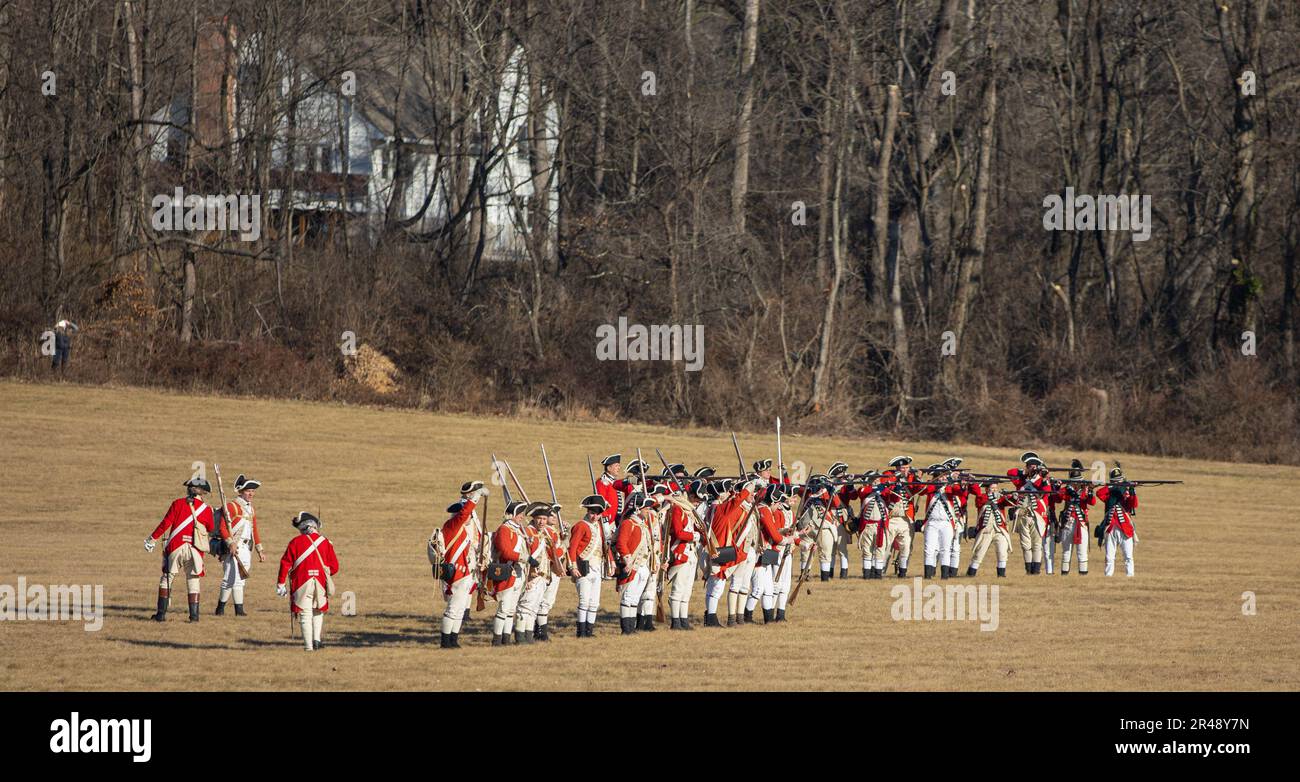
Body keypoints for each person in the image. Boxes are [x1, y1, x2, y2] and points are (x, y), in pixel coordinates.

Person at [145, 476, 218, 622]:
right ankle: (194, 617)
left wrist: (152, 539)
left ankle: (160, 615)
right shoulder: (207, 509)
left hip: (176, 546)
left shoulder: (177, 503)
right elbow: (210, 528)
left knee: (167, 578)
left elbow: (166, 523)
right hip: (195, 549)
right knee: (193, 579)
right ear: (203, 492)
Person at [432, 481, 486, 649]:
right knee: (453, 609)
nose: (469, 516)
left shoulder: (462, 528)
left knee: (461, 608)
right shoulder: (453, 525)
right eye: (467, 514)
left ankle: (454, 639)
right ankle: (445, 641)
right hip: (455, 572)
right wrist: (476, 497)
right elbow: (464, 514)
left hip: (466, 571)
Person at [276, 512, 340, 652]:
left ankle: (308, 647)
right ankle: (316, 640)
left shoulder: (295, 542)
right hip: (320, 582)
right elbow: (334, 567)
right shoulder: (325, 542)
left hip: (301, 582)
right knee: (318, 610)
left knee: (305, 614)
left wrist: (281, 583)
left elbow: (285, 563)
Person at [216, 474, 265, 616]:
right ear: (241, 491)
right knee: (231, 579)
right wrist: (231, 543)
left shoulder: (251, 509)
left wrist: (259, 550)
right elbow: (223, 527)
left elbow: (254, 529)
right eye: (248, 490)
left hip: (246, 547)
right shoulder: (232, 506)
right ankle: (236, 610)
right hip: (233, 546)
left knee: (238, 579)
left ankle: (222, 609)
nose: (251, 494)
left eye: (253, 491)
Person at [489, 501, 531, 646]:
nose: (521, 516)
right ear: (511, 515)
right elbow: (506, 552)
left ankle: (506, 638)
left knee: (511, 609)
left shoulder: (519, 530)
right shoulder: (504, 529)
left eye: (522, 514)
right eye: (518, 514)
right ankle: (496, 640)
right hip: (506, 571)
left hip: (518, 572)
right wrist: (526, 558)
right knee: (504, 608)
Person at [566, 495, 610, 638]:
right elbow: (572, 548)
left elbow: (604, 546)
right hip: (583, 566)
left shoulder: (599, 526)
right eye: (592, 513)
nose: (594, 516)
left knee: (594, 602)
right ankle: (581, 631)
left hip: (597, 567)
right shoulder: (581, 525)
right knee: (584, 601)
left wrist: (611, 561)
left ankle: (589, 630)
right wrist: (573, 566)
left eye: (597, 514)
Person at [614, 493, 656, 635]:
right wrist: (627, 560)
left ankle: (631, 627)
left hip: (643, 565)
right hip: (632, 564)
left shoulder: (642, 525)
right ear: (638, 508)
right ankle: (626, 628)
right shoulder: (628, 523)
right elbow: (621, 543)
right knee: (628, 597)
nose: (648, 511)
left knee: (635, 598)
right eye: (646, 508)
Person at [665, 481, 704, 629]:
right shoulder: (678, 509)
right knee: (678, 588)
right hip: (681, 552)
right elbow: (678, 532)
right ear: (690, 496)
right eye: (696, 499)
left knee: (687, 590)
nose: (697, 502)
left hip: (691, 553)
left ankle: (683, 620)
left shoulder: (688, 510)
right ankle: (676, 622)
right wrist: (695, 535)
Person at [1096, 469, 1139, 577]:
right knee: (1109, 557)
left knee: (1128, 556)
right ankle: (1108, 576)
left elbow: (1134, 504)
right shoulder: (1108, 493)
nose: (1117, 483)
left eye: (1118, 481)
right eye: (1114, 481)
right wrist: (1113, 487)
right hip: (1110, 528)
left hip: (1125, 528)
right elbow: (1099, 493)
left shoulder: (1126, 492)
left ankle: (1130, 576)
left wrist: (1132, 490)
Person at [967, 479, 1014, 577]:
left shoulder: (1000, 498)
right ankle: (970, 575)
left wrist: (1013, 496)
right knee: (979, 554)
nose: (995, 490)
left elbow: (1010, 501)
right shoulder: (981, 497)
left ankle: (1001, 576)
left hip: (1000, 530)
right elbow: (980, 502)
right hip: (986, 530)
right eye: (992, 488)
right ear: (987, 489)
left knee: (1002, 552)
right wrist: (993, 497)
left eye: (996, 488)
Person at [1055, 461, 1096, 575]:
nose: (1076, 484)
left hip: (1081, 523)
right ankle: (1064, 574)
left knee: (1082, 552)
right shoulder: (1066, 490)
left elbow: (1092, 502)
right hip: (1067, 522)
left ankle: (1082, 575)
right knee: (1066, 552)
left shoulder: (1085, 490)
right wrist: (1057, 487)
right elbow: (1058, 498)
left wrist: (1091, 490)